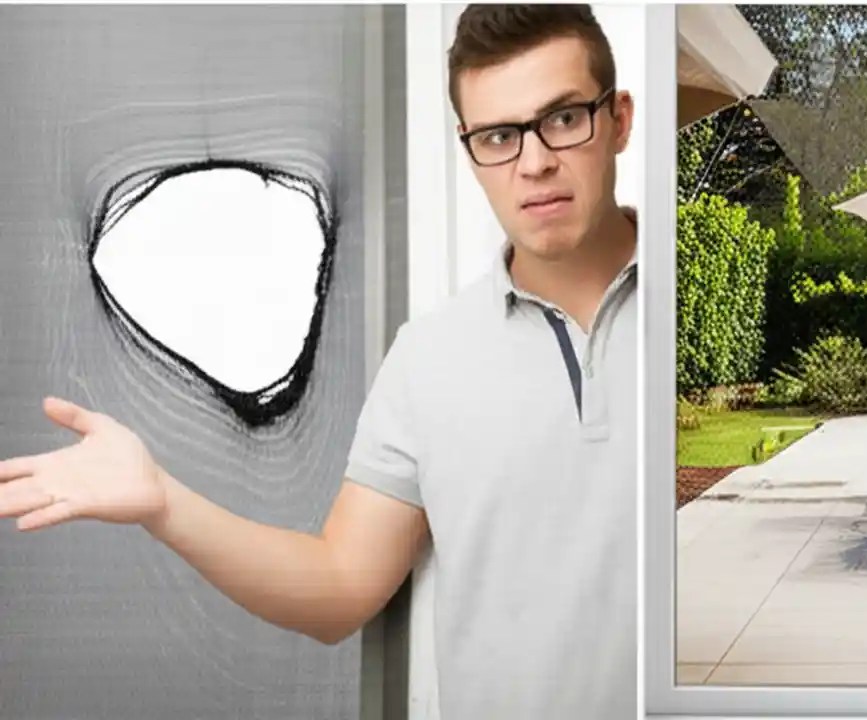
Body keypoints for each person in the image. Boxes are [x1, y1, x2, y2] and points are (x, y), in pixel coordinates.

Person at [0, 5, 639, 719]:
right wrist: (162, 503)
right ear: (470, 152)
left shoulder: (678, 311)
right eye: (498, 135)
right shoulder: (428, 359)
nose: (534, 161)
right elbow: (339, 588)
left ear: (617, 120)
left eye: (561, 119)